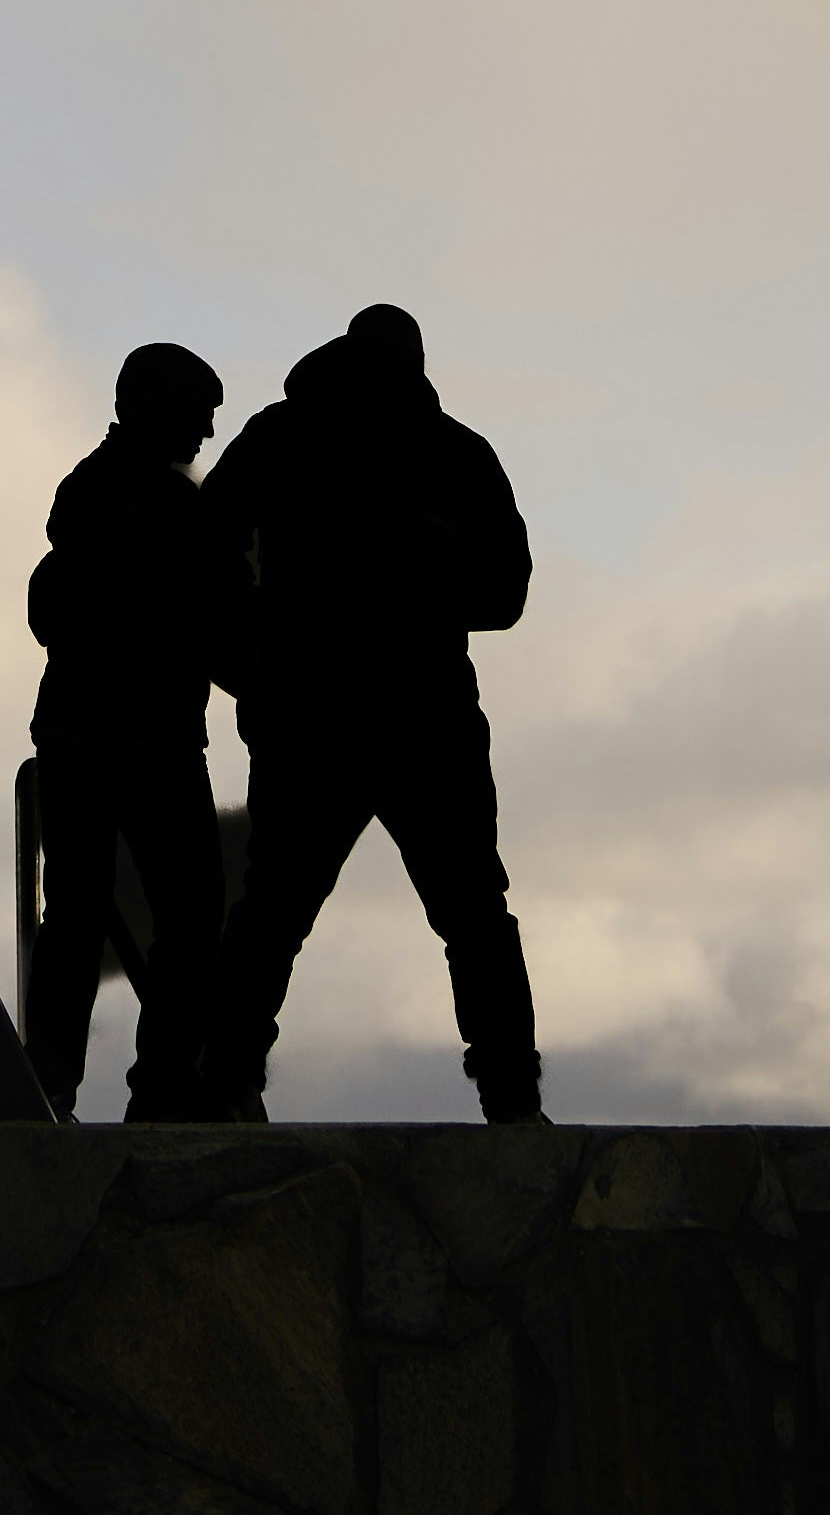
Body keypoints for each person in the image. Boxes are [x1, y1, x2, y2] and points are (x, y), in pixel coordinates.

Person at [195, 304, 540, 1124]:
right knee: (468, 914)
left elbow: (205, 554)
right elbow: (504, 592)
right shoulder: (454, 453)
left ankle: (220, 1090)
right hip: (409, 716)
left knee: (274, 909)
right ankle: (513, 1102)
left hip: (328, 716)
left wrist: (249, 663)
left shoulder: (285, 437)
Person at [20, 339, 238, 1120]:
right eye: (200, 416)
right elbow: (218, 627)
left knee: (79, 914)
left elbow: (49, 614)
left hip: (87, 740)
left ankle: (52, 1086)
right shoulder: (170, 512)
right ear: (161, 410)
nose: (207, 434)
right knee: (185, 912)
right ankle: (160, 1090)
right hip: (152, 746)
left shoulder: (88, 499)